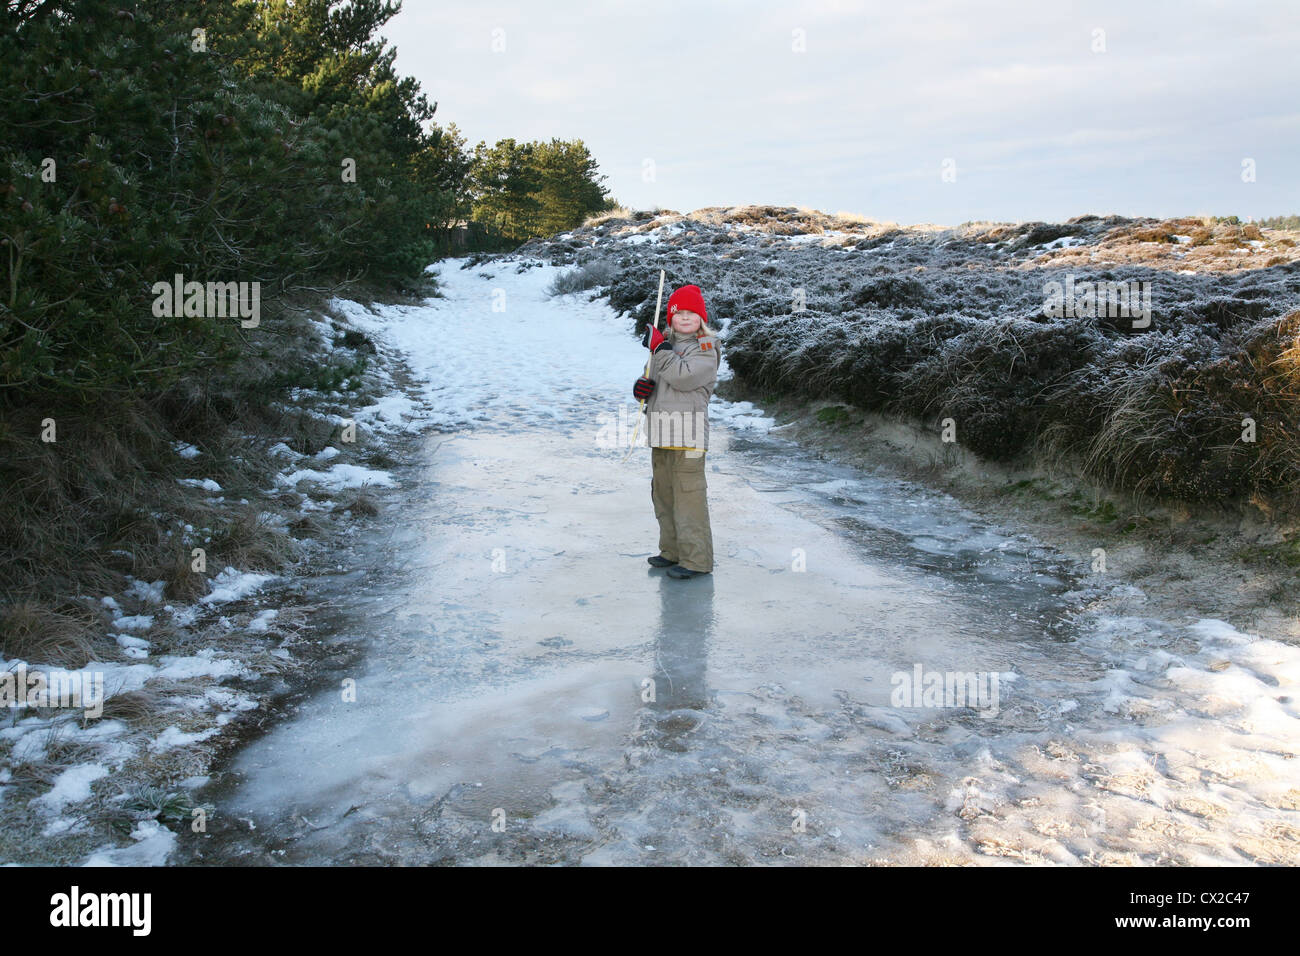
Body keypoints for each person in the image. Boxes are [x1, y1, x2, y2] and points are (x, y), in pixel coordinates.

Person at [631, 284, 720, 579]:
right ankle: (672, 552)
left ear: (701, 318)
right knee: (664, 497)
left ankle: (696, 561)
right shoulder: (663, 347)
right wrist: (642, 390)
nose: (684, 317)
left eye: (691, 313)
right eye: (678, 312)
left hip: (688, 436)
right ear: (669, 316)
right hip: (661, 434)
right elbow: (657, 383)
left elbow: (683, 378)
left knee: (689, 499)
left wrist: (659, 350)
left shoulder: (706, 349)